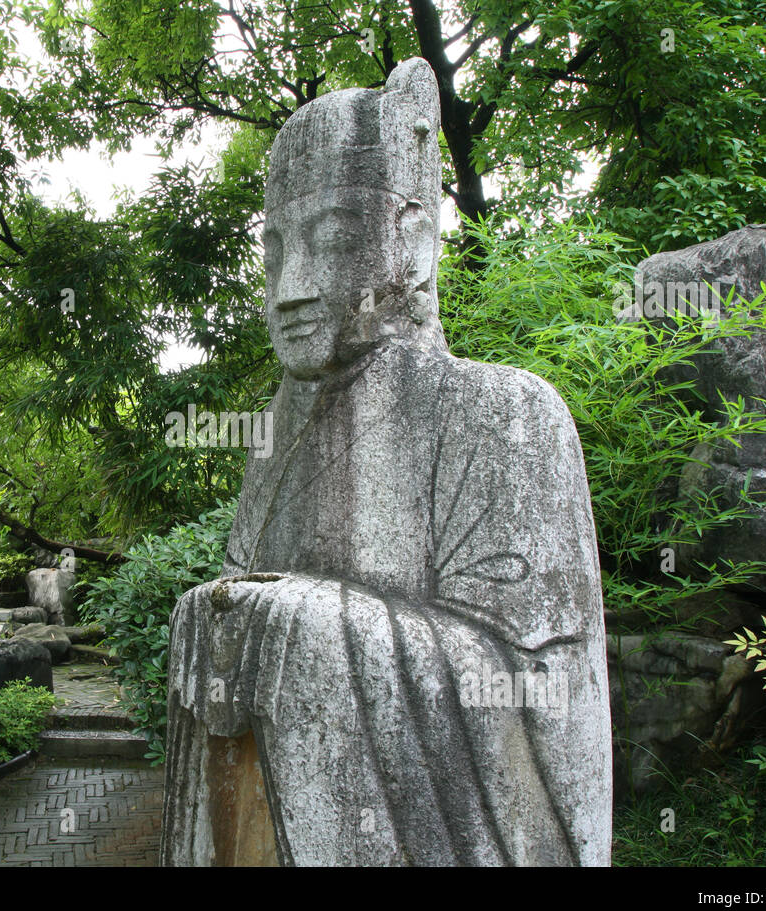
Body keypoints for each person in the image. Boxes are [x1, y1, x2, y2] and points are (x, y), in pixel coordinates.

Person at [160, 58, 612, 866]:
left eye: (331, 240)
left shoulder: (504, 416)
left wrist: (308, 629)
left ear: (411, 241)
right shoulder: (274, 440)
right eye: (276, 250)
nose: (289, 288)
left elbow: (539, 700)